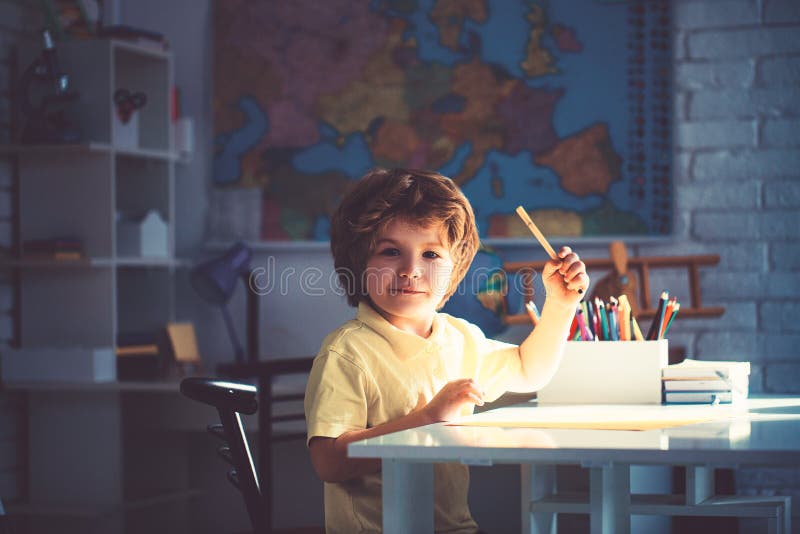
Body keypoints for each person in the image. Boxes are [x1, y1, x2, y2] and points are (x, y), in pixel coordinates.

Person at [304, 168, 589, 533]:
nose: (410, 270)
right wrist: (426, 421)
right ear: (359, 263)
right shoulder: (347, 352)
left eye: (431, 254)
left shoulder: (460, 337)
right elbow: (328, 462)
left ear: (456, 267)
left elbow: (530, 370)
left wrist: (561, 306)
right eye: (391, 251)